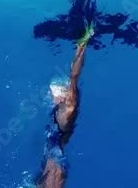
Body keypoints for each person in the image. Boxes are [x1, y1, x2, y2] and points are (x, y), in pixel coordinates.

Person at [35, 23, 94, 188]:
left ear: (64, 96)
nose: (52, 95)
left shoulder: (69, 108)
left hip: (55, 166)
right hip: (53, 160)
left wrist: (82, 45)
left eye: (54, 93)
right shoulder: (62, 110)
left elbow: (74, 75)